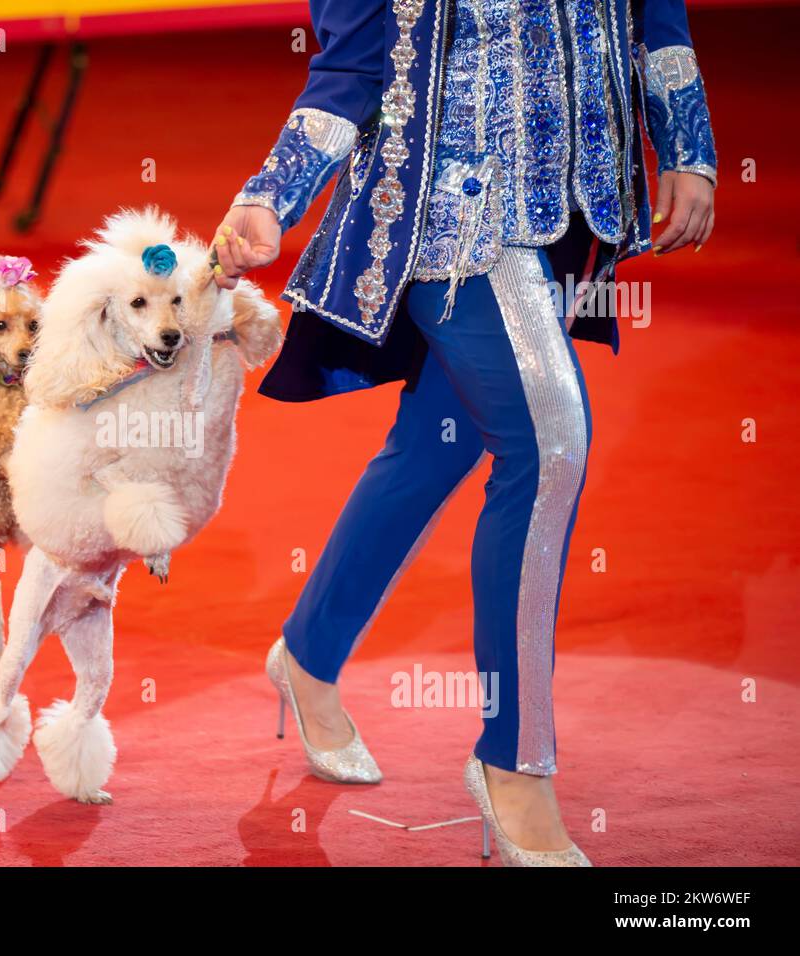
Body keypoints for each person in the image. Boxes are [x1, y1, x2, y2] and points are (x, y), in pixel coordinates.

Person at [210, 0, 716, 865]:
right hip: (451, 220)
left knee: (436, 444)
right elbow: (352, 68)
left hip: (573, 209)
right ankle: (514, 759)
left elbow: (653, 14)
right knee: (551, 443)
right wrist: (274, 195)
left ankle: (307, 654)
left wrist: (690, 145)